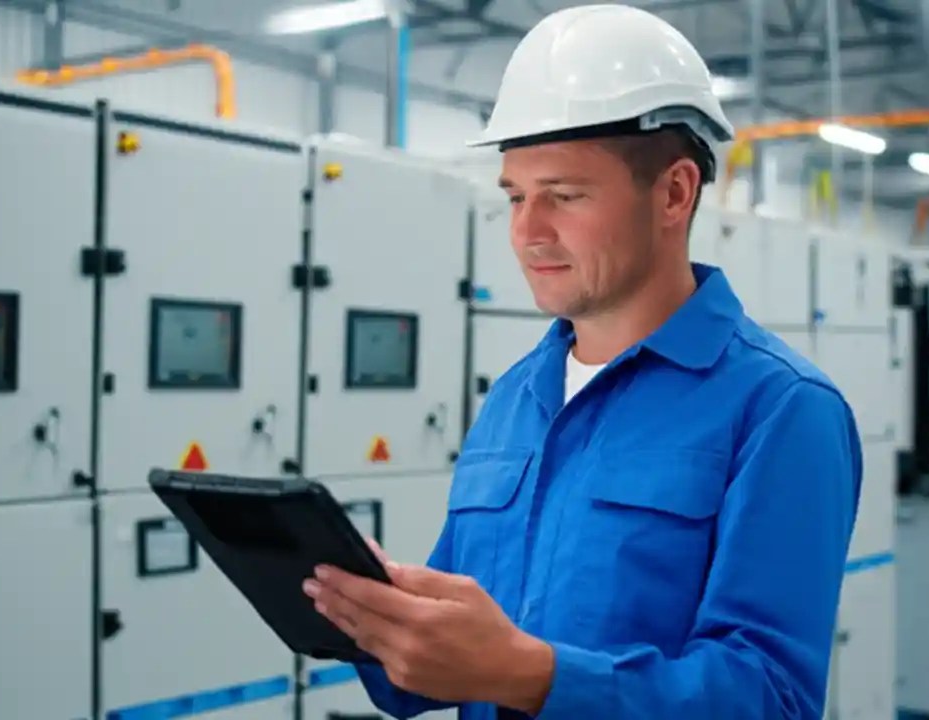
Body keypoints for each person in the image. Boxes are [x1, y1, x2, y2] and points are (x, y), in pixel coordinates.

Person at [302, 4, 862, 719]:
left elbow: (772, 699)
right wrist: (369, 617)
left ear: (674, 193)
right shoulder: (518, 395)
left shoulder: (782, 409)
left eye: (563, 196)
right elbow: (442, 669)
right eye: (515, 197)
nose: (527, 232)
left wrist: (530, 675)